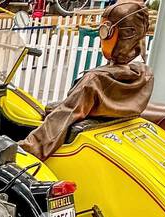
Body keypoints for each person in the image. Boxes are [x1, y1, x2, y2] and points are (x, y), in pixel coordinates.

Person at [19, 0, 153, 162]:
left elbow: (64, 116)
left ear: (111, 33)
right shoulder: (144, 74)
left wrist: (23, 151)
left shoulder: (95, 80)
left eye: (104, 29)